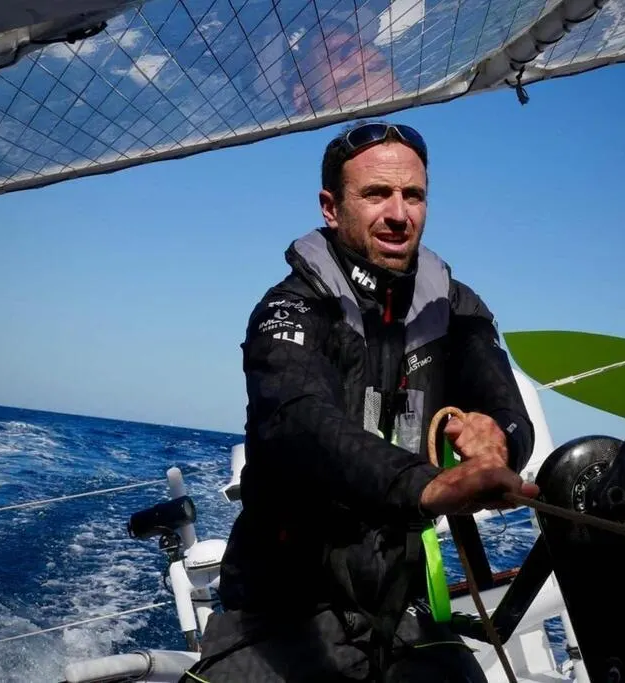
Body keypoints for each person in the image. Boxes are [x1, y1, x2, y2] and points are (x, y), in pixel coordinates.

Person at [184, 120, 538, 682]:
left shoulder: (454, 307)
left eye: (413, 195)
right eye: (376, 194)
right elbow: (295, 419)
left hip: (398, 612)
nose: (399, 213)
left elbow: (505, 405)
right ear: (331, 207)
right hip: (279, 614)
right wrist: (425, 485)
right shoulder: (291, 308)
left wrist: (501, 440)